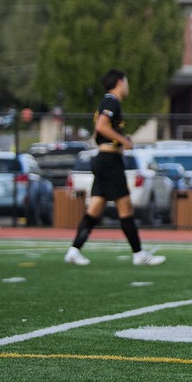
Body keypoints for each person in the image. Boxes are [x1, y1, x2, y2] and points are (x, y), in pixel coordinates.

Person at [64, 69, 165, 267]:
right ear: (120, 81)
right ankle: (138, 254)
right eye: (126, 81)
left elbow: (96, 133)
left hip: (105, 159)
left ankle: (74, 250)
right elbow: (101, 126)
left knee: (95, 208)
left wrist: (118, 140)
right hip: (109, 161)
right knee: (125, 207)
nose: (127, 86)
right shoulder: (112, 100)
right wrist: (123, 140)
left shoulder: (108, 101)